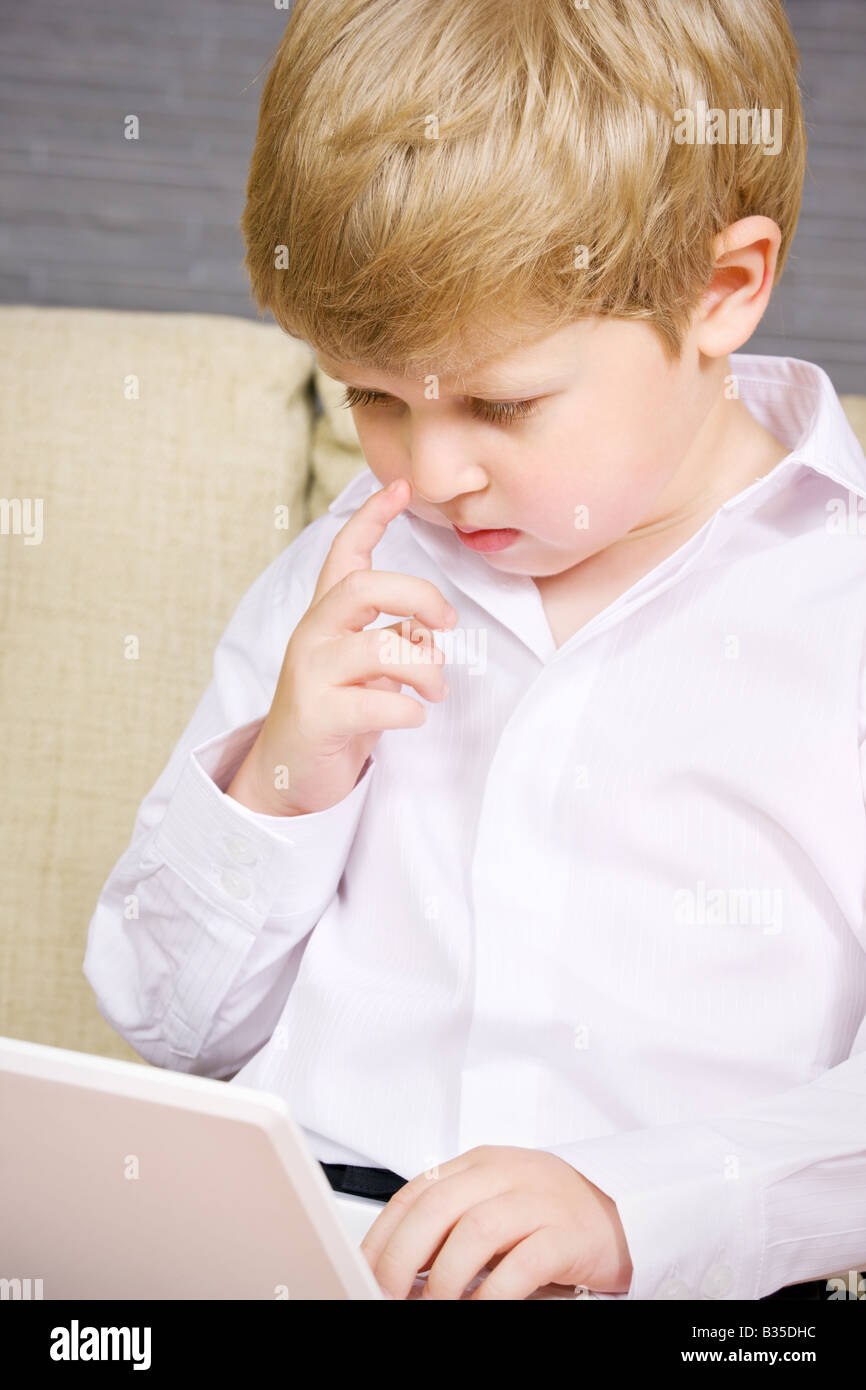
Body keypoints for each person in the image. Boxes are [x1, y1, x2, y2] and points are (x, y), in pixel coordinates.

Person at [83, 0, 866, 1301]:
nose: (430, 471)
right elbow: (168, 1026)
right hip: (307, 1245)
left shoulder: (837, 613)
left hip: (676, 1285)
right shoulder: (342, 577)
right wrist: (284, 772)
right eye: (372, 397)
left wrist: (641, 1206)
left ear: (720, 291)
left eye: (503, 403)